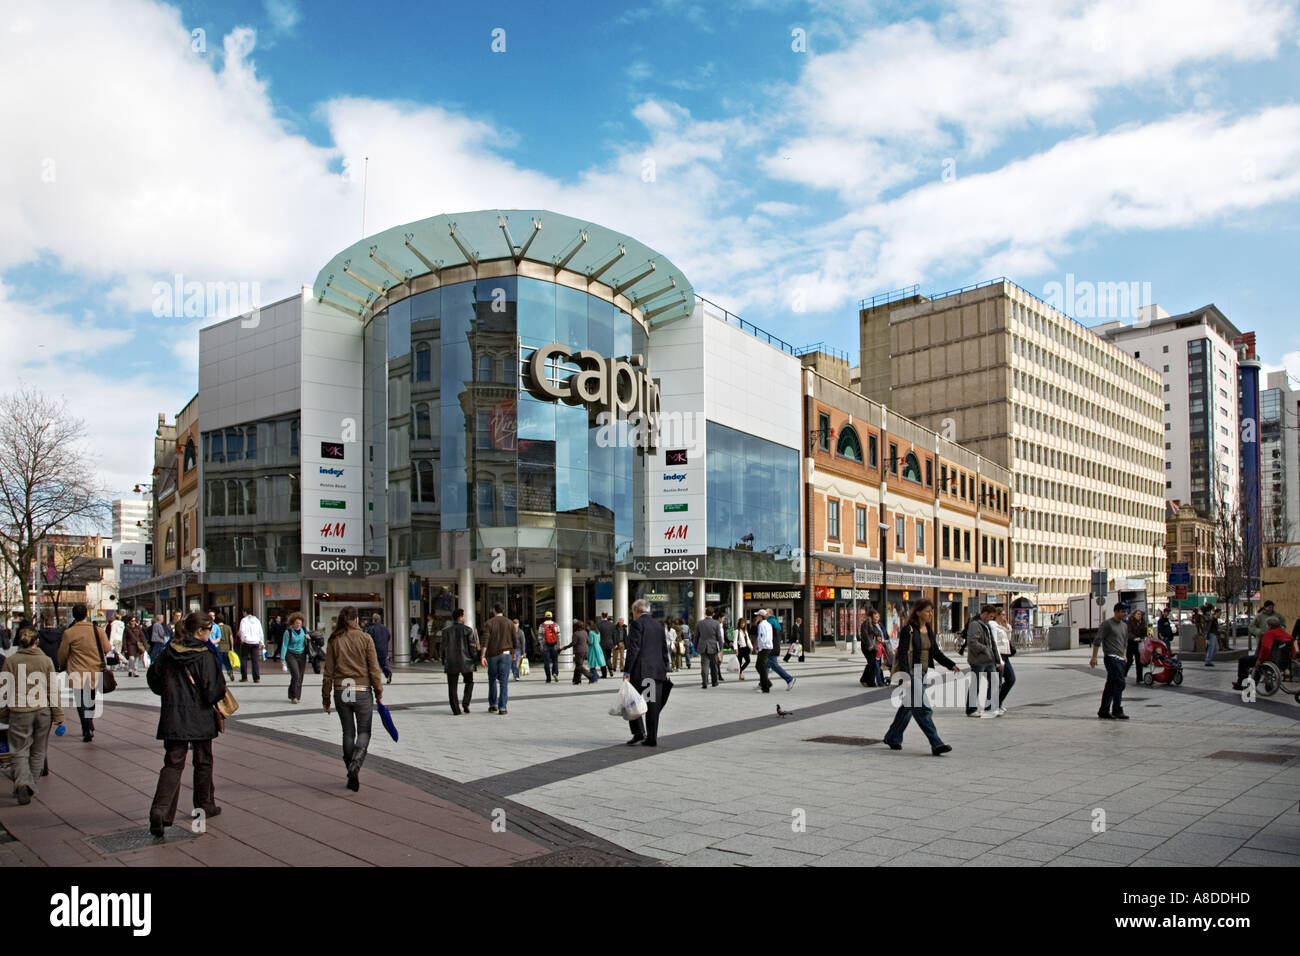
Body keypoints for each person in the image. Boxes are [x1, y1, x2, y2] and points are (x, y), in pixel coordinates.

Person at [147, 612, 225, 837]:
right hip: (200, 715)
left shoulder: (168, 652)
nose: (210, 634)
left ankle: (160, 811)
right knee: (203, 761)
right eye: (208, 630)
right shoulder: (205, 654)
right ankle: (204, 805)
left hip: (173, 715)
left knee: (172, 763)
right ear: (200, 631)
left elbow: (153, 679)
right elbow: (213, 690)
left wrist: (170, 694)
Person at [883, 600, 959, 756]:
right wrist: (904, 676)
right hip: (911, 672)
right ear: (918, 612)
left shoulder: (929, 629)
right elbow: (903, 654)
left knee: (908, 707)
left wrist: (950, 665)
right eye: (927, 611)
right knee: (923, 709)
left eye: (931, 611)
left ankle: (892, 737)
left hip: (922, 672)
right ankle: (936, 743)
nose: (930, 614)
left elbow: (936, 652)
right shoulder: (908, 630)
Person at [321, 606, 384, 792]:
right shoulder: (365, 638)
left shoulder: (334, 639)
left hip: (341, 690)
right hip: (362, 689)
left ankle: (350, 768)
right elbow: (374, 669)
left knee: (347, 732)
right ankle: (356, 763)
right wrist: (379, 692)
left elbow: (328, 672)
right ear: (356, 620)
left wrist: (326, 698)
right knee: (364, 731)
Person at [1, 628, 65, 805]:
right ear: (36, 642)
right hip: (43, 710)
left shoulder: (11, 661)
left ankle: (22, 782)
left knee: (19, 750)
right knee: (38, 750)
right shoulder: (46, 661)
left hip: (20, 711)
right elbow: (53, 689)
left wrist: (3, 714)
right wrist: (58, 713)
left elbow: (3, 691)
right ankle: (30, 785)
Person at [56, 604, 111, 743]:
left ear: (73, 615)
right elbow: (107, 648)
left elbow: (62, 653)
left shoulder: (69, 633)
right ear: (86, 614)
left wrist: (61, 664)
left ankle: (87, 727)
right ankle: (89, 724)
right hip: (94, 670)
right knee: (91, 699)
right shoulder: (97, 630)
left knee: (80, 701)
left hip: (76, 670)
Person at [624, 599, 669, 747]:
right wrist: (666, 668)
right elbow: (664, 649)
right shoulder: (658, 625)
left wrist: (627, 670)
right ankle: (651, 737)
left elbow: (633, 649)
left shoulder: (637, 624)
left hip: (640, 672)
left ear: (636, 610)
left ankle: (638, 733)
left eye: (633, 612)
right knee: (653, 705)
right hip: (656, 673)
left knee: (631, 701)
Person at [1090, 602, 1131, 720]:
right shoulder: (1107, 624)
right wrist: (1094, 657)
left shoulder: (1124, 626)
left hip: (1120, 659)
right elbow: (1098, 640)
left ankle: (1104, 710)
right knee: (1120, 682)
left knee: (1111, 685)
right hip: (1111, 657)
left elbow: (1125, 643)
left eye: (1126, 611)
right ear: (1116, 611)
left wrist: (1124, 655)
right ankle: (1117, 710)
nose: (1125, 613)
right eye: (1123, 611)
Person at [964, 605, 1003, 718]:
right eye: (990, 616)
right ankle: (971, 709)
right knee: (976, 683)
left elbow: (992, 642)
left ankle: (990, 706)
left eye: (992, 617)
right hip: (978, 659)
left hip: (988, 659)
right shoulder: (975, 624)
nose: (990, 619)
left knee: (995, 681)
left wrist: (997, 660)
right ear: (984, 613)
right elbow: (972, 642)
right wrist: (985, 649)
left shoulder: (986, 625)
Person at [480, 604, 516, 714]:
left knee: (492, 679)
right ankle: (503, 707)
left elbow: (485, 640)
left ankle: (493, 704)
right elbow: (515, 640)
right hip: (506, 654)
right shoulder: (510, 623)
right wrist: (514, 653)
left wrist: (482, 655)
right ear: (503, 611)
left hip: (492, 655)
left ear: (494, 611)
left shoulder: (489, 623)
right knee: (504, 681)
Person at [442, 608, 479, 715]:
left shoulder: (446, 631)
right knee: (469, 682)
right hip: (466, 661)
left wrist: (444, 660)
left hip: (451, 662)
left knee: (452, 686)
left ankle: (455, 710)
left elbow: (443, 648)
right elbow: (472, 647)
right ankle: (466, 702)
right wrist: (475, 658)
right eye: (464, 615)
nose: (465, 617)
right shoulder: (468, 630)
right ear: (460, 617)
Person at [755, 609, 796, 693]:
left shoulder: (768, 622)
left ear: (769, 614)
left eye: (767, 612)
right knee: (765, 666)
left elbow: (764, 637)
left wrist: (760, 647)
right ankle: (763, 683)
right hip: (773, 646)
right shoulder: (774, 621)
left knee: (771, 665)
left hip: (769, 647)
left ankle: (789, 679)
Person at [281, 613, 309, 703]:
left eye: (300, 623)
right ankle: (293, 696)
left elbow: (314, 636)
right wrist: (282, 659)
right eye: (297, 623)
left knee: (300, 676)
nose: (298, 625)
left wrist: (309, 637)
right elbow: (284, 645)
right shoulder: (288, 632)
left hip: (302, 654)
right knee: (296, 675)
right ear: (292, 623)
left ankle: (296, 695)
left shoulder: (304, 630)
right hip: (291, 654)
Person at [991, 608, 1014, 714]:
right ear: (997, 615)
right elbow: (994, 642)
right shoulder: (993, 626)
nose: (1004, 617)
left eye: (1005, 615)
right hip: (999, 655)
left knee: (1011, 679)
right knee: (998, 682)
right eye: (1002, 615)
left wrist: (1006, 626)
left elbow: (1008, 639)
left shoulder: (1002, 627)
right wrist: (998, 660)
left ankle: (998, 702)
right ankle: (994, 705)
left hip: (1005, 655)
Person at [562, 618, 596, 685]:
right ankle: (577, 680)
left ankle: (590, 676)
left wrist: (565, 647)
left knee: (579, 666)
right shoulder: (585, 632)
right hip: (585, 651)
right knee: (578, 665)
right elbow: (588, 641)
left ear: (576, 626)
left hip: (579, 652)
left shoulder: (576, 634)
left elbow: (573, 643)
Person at [696, 607, 724, 688]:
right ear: (713, 614)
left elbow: (696, 637)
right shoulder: (716, 623)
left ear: (705, 613)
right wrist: (721, 647)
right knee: (714, 665)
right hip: (713, 647)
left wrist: (695, 646)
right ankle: (714, 682)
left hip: (703, 647)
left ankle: (704, 682)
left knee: (704, 665)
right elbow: (719, 637)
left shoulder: (699, 623)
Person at [237, 610, 264, 682]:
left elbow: (242, 631)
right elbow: (260, 631)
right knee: (255, 660)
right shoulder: (257, 620)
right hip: (255, 642)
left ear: (245, 612)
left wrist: (242, 639)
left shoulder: (244, 620)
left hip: (246, 641)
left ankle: (244, 677)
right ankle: (256, 678)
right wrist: (262, 642)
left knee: (244, 659)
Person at [366, 612, 393, 684]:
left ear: (373, 620)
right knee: (384, 664)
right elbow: (388, 637)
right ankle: (388, 673)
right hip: (384, 649)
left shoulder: (371, 628)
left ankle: (373, 679)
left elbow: (368, 639)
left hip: (374, 649)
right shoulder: (385, 628)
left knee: (372, 665)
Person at [860, 610, 884, 686]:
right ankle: (869, 682)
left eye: (877, 616)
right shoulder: (866, 623)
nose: (877, 618)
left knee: (871, 663)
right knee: (872, 663)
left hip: (871, 646)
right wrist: (871, 646)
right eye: (875, 616)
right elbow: (866, 636)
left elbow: (874, 633)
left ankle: (865, 680)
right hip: (867, 646)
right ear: (871, 616)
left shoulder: (871, 623)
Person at [1124, 608, 1148, 684]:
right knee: (1129, 661)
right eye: (1138, 614)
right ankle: (1123, 675)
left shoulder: (1142, 622)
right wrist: (1134, 638)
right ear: (1134, 614)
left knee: (1139, 661)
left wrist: (1145, 637)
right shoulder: (1130, 622)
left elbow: (1145, 631)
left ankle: (1140, 678)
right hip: (1131, 643)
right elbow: (1129, 632)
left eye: (1140, 614)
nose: (1139, 616)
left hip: (1139, 644)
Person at [539, 611, 561, 683]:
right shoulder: (556, 625)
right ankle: (555, 673)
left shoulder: (542, 625)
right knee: (555, 660)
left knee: (546, 662)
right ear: (551, 617)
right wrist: (559, 645)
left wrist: (541, 646)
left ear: (545, 617)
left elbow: (540, 637)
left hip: (545, 645)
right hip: (554, 644)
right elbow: (559, 636)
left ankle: (548, 678)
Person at [596, 613, 616, 680]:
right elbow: (614, 635)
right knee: (608, 657)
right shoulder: (612, 624)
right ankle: (610, 669)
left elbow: (597, 634)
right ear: (607, 616)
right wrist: (614, 643)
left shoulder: (599, 624)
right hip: (610, 643)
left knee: (602, 658)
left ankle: (604, 674)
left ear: (601, 616)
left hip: (601, 644)